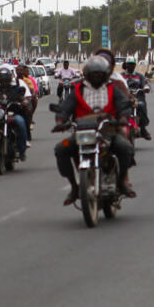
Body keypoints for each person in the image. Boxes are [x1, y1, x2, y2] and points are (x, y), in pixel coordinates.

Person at [53, 55, 136, 205]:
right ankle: (74, 186)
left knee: (126, 148)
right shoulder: (77, 89)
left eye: (99, 74)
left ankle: (122, 181)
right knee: (61, 149)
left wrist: (123, 117)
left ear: (105, 74)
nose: (96, 77)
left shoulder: (113, 88)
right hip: (82, 132)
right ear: (87, 74)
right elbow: (65, 108)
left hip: (108, 130)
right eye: (94, 73)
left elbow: (123, 104)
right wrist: (60, 121)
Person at [121, 59, 152, 139]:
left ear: (135, 65)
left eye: (133, 64)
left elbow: (145, 83)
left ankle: (143, 129)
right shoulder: (121, 76)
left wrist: (146, 88)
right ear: (126, 65)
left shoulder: (140, 76)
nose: (131, 66)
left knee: (141, 106)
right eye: (129, 64)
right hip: (124, 98)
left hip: (137, 98)